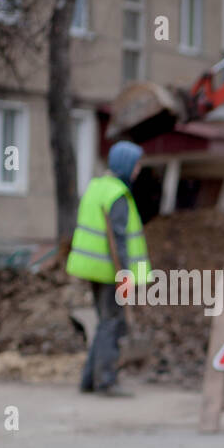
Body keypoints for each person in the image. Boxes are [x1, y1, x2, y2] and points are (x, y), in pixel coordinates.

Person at [66, 141, 151, 397]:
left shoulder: (96, 187)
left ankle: (88, 380)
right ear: (125, 165)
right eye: (136, 165)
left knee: (104, 322)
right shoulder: (117, 195)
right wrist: (125, 278)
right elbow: (119, 241)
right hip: (110, 270)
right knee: (111, 323)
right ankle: (106, 381)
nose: (137, 171)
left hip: (92, 267)